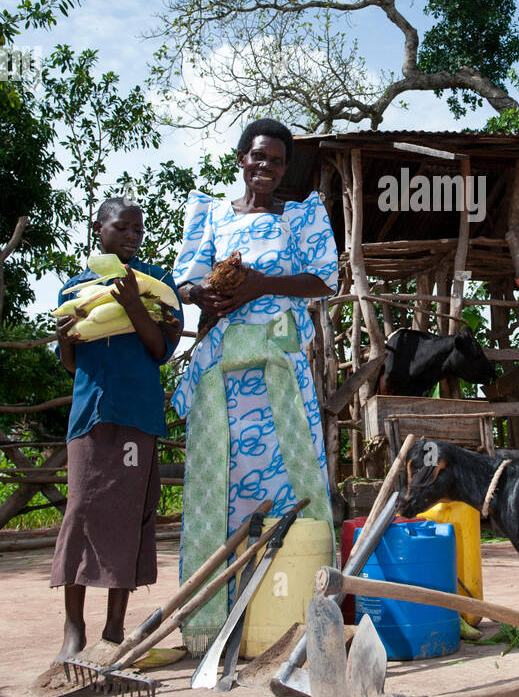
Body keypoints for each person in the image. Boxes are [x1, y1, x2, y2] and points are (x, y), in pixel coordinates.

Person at [172, 118, 337, 655]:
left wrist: (264, 285)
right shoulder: (212, 214)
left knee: (293, 477)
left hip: (279, 373)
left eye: (276, 160)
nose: (264, 166)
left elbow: (323, 281)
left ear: (284, 168)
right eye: (256, 156)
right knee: (220, 479)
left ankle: (295, 611)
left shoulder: (300, 217)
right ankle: (214, 620)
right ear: (241, 158)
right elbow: (184, 282)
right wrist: (207, 294)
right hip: (224, 375)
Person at [51, 198, 182, 662]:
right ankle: (73, 628)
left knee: (129, 514)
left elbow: (159, 350)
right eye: (121, 227)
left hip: (136, 416)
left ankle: (113, 627)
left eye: (137, 229)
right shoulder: (76, 288)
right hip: (90, 415)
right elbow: (71, 364)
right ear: (98, 229)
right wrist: (67, 337)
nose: (131, 236)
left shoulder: (157, 284)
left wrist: (132, 304)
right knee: (81, 510)